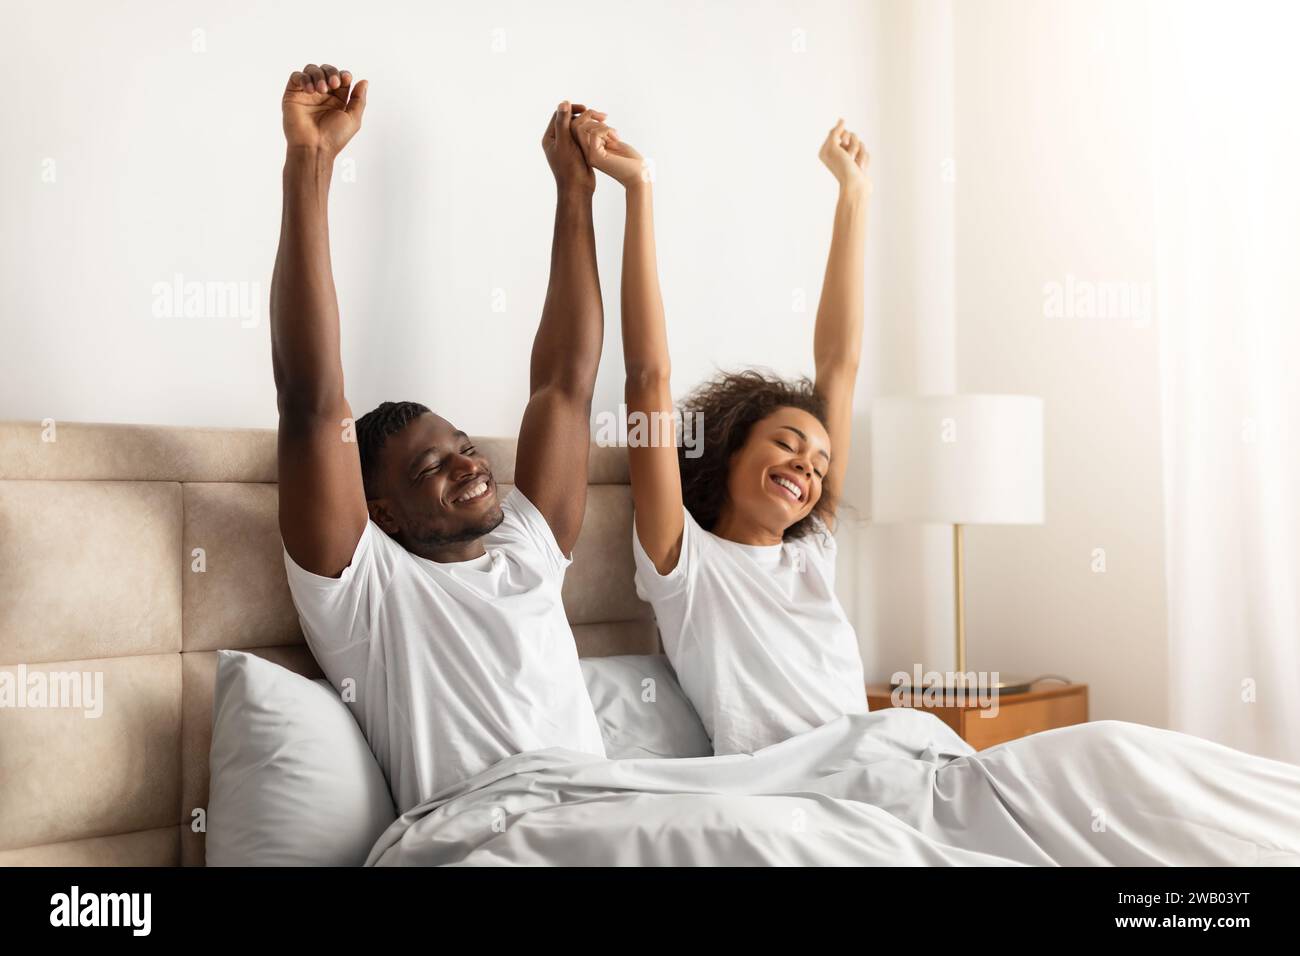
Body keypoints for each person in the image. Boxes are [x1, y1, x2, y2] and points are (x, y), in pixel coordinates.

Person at [270, 61, 608, 813]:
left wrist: (575, 191)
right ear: (382, 512)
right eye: (431, 466)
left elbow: (565, 385)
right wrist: (309, 161)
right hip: (493, 839)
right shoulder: (367, 592)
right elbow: (308, 399)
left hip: (617, 811)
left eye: (462, 444)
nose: (470, 464)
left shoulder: (527, 552)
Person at [573, 114, 872, 755]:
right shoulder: (687, 566)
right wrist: (639, 189)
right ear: (733, 448)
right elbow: (648, 378)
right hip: (802, 784)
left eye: (820, 464)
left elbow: (840, 367)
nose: (809, 469)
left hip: (886, 755)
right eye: (789, 444)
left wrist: (853, 195)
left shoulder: (811, 555)